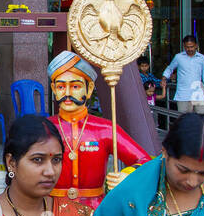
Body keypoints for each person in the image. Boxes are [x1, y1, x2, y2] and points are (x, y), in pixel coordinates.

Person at [47, 51, 150, 206]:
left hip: (95, 210)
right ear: (54, 90)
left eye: (75, 86)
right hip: (50, 208)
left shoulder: (105, 129)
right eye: (61, 86)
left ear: (89, 89)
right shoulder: (43, 128)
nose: (67, 93)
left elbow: (146, 162)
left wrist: (127, 175)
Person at [159, 35, 204, 113]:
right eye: (187, 47)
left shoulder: (201, 58)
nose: (190, 49)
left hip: (198, 94)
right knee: (184, 119)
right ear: (184, 46)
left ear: (196, 46)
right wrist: (164, 78)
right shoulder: (178, 57)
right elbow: (170, 68)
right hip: (183, 95)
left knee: (202, 117)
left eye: (192, 46)